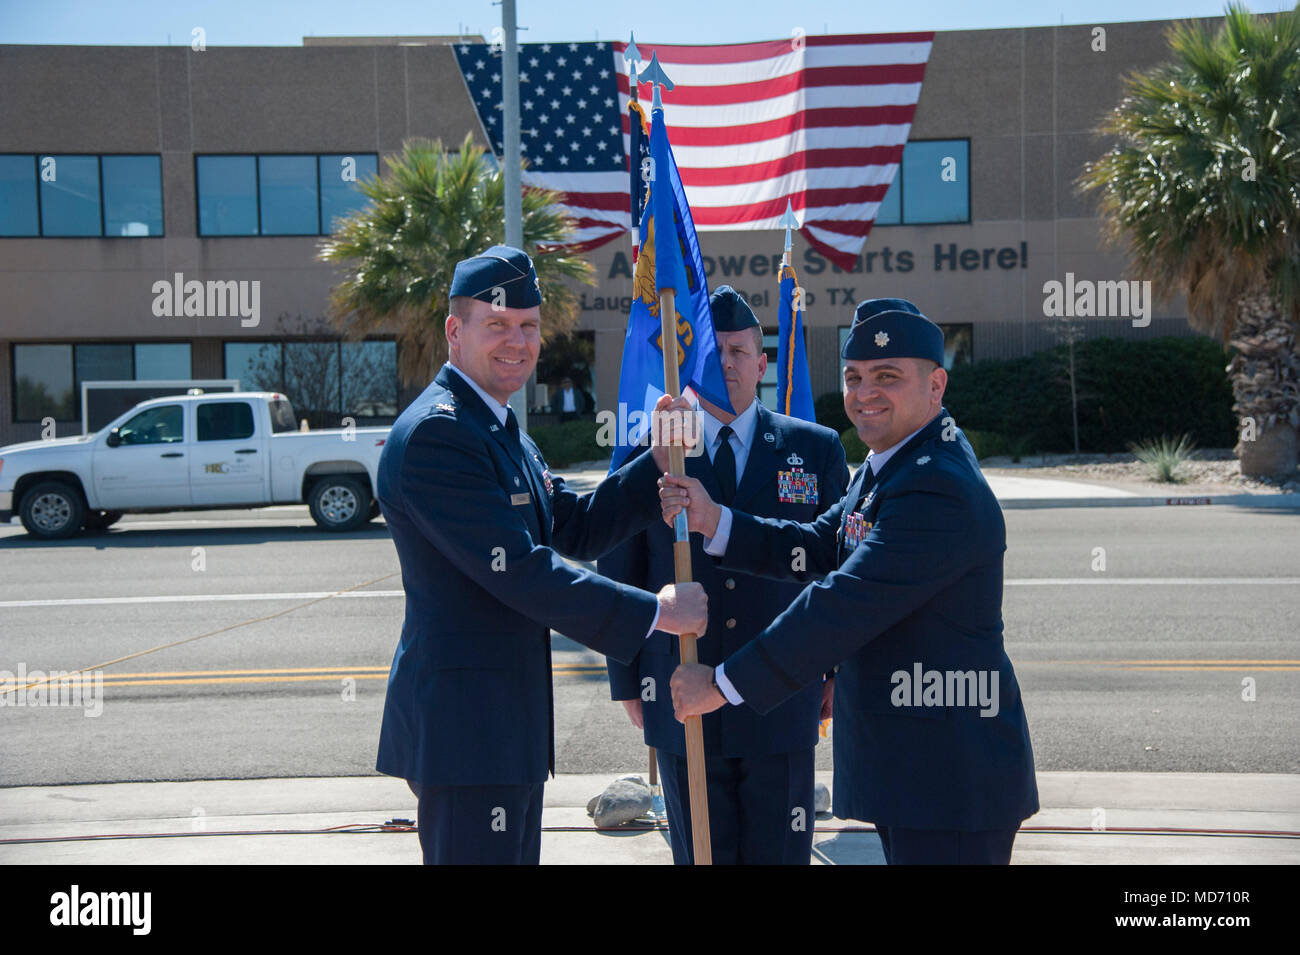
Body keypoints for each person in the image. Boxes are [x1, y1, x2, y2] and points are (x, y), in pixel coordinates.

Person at [662, 299, 1039, 865]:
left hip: (950, 777)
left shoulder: (937, 488)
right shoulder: (889, 464)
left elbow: (839, 606)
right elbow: (817, 546)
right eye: (854, 377)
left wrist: (720, 685)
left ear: (936, 386)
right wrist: (718, 521)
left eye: (888, 377)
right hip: (915, 770)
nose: (864, 393)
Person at [374, 245, 708, 865]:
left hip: (503, 724)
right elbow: (523, 571)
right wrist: (656, 612)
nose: (517, 341)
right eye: (497, 325)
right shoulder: (439, 435)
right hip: (467, 730)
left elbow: (571, 526)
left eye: (528, 326)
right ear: (455, 330)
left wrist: (656, 461)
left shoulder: (497, 426)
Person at [600, 286, 849, 864]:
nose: (729, 365)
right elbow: (621, 565)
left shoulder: (813, 449)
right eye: (716, 354)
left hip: (782, 696)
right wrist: (625, 678)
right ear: (692, 365)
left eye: (740, 353)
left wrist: (834, 670)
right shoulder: (655, 450)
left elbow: (838, 570)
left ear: (763, 365)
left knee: (779, 855)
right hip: (681, 688)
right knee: (702, 856)